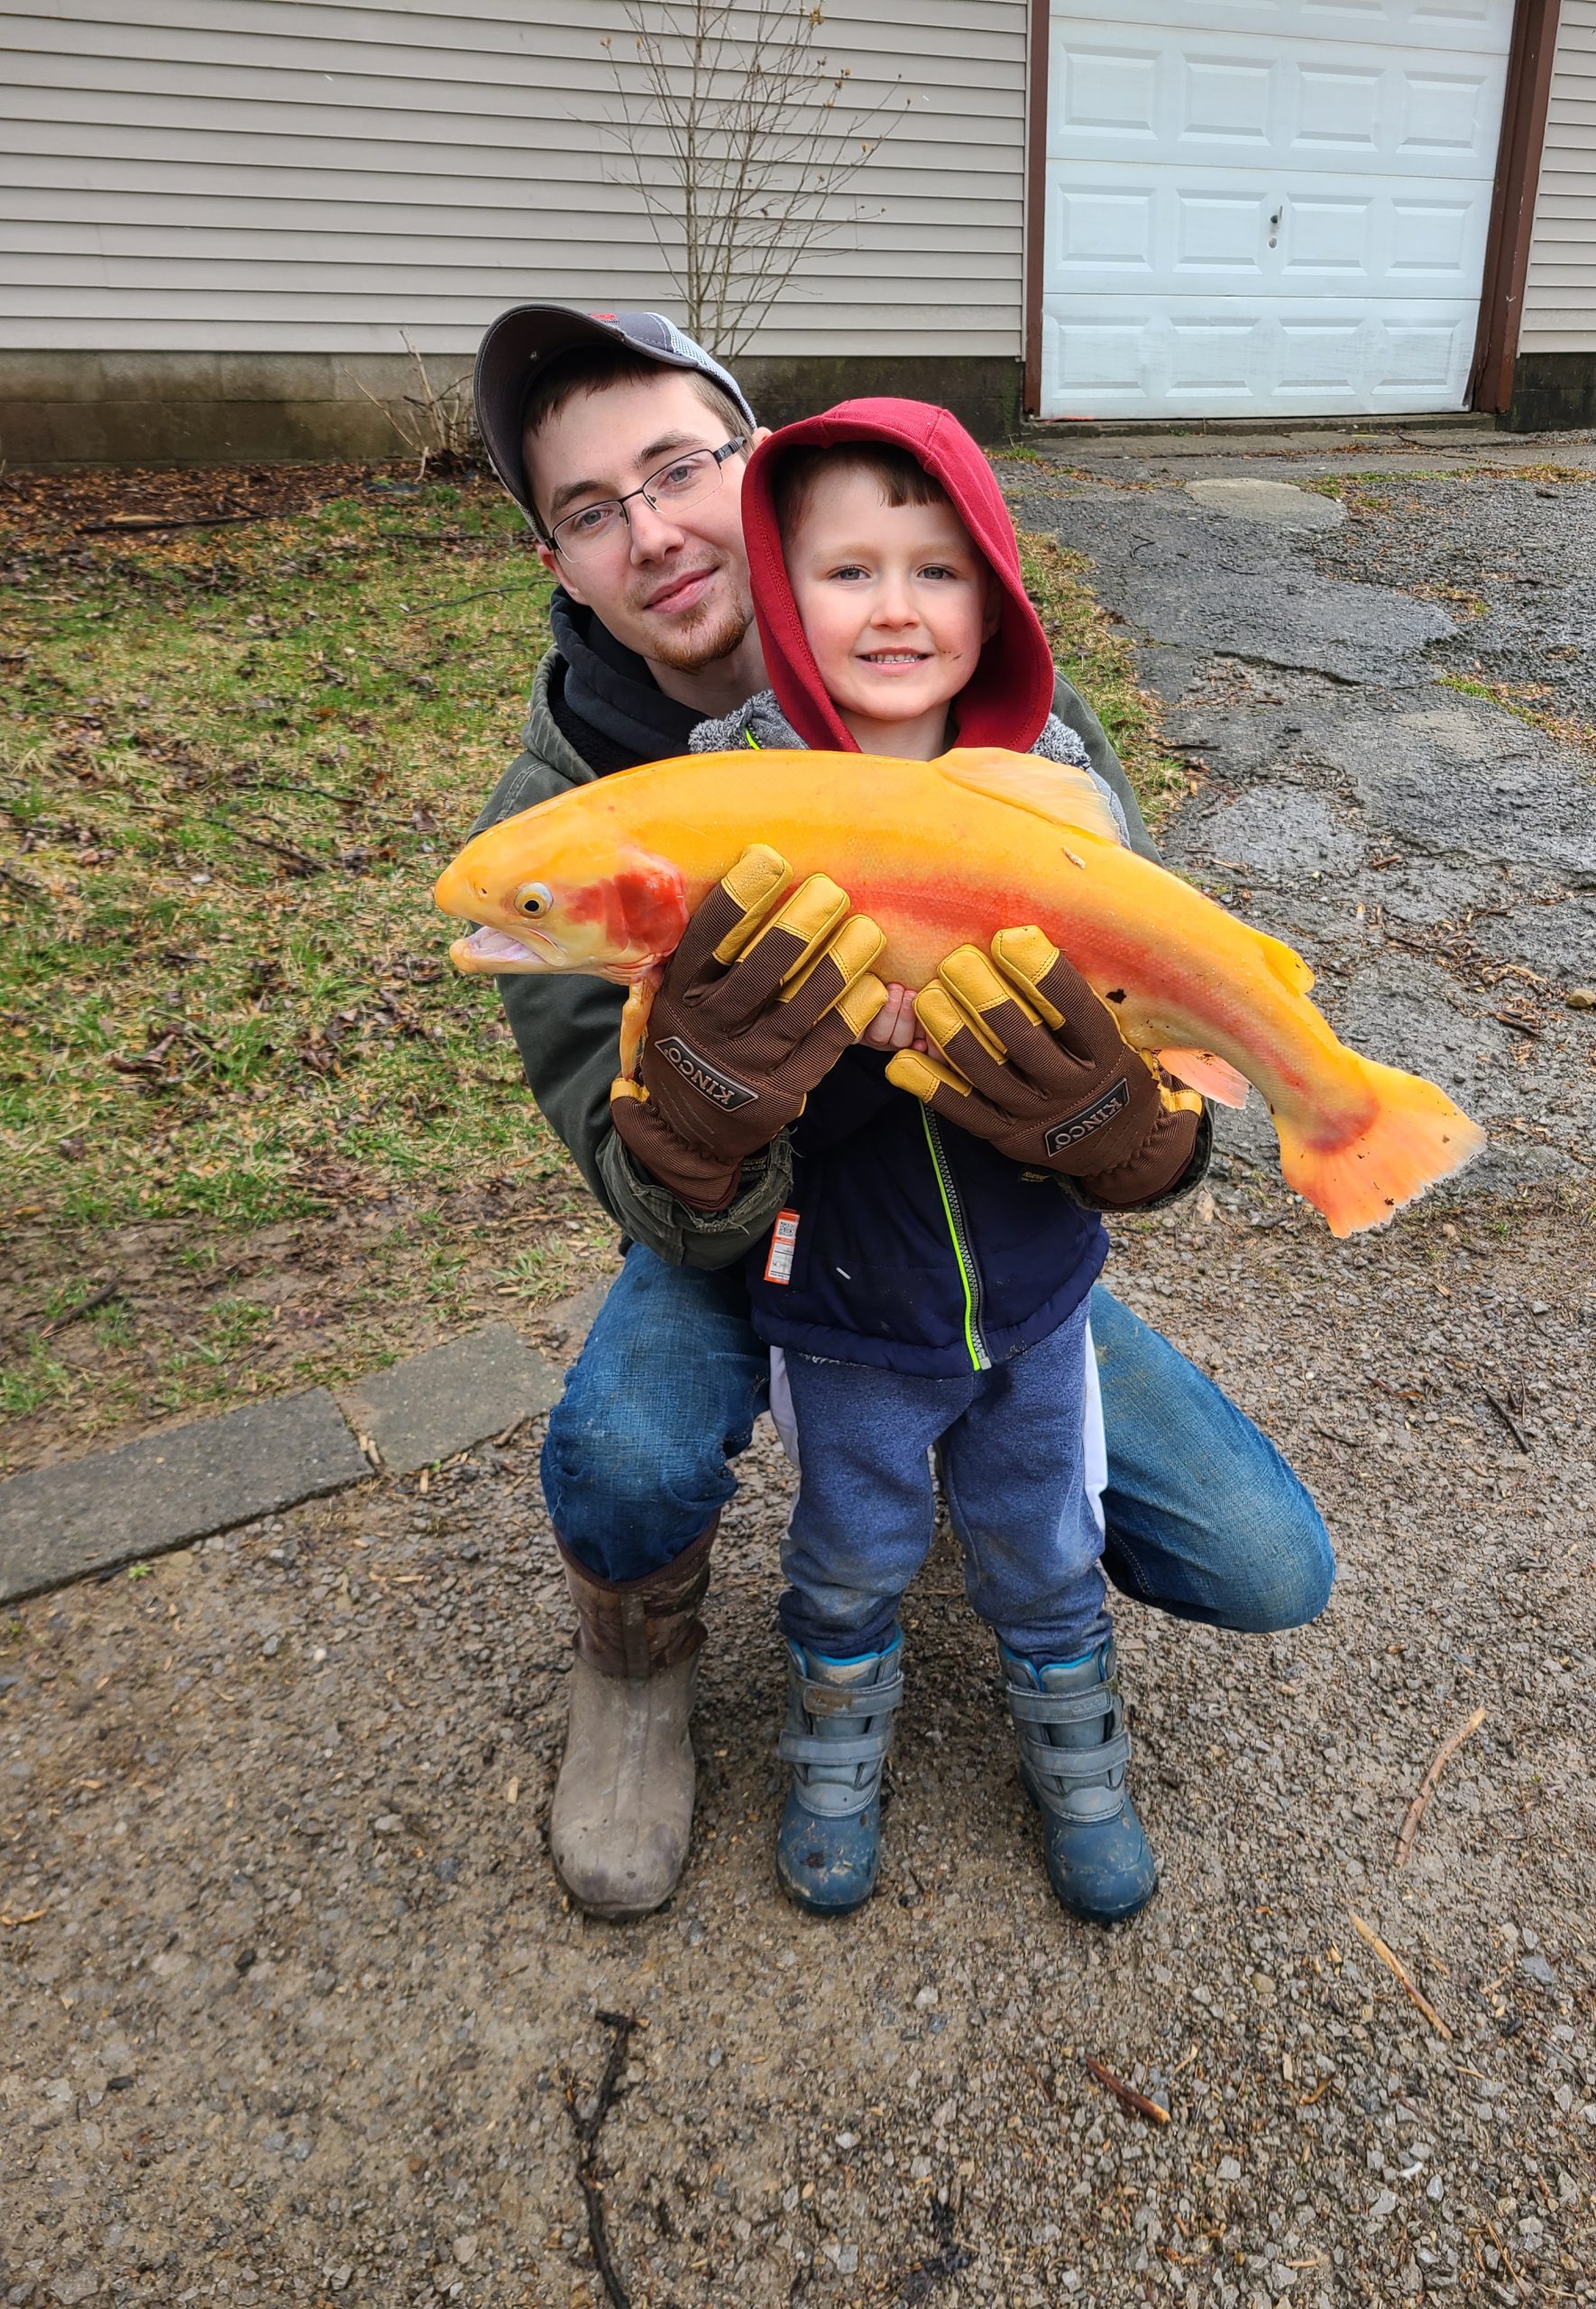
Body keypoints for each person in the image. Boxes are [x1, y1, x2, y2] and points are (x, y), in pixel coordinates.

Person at [467, 305, 1335, 1921]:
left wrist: (1133, 1145)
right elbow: (632, 1180)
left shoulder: (1020, 747)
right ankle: (639, 1665)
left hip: (985, 1241)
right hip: (748, 1234)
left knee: (1264, 1563)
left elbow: (1155, 998)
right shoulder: (556, 825)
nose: (650, 528)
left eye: (679, 467)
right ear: (557, 560)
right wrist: (705, 1108)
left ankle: (974, 1491)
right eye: (591, 509)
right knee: (623, 1451)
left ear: (762, 474)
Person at [676, 400, 1207, 1923]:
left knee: (1048, 1533)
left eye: (939, 568)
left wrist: (1143, 1134)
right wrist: (773, 1064)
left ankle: (1075, 1744)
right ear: (782, 597)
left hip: (1037, 1292)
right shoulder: (732, 798)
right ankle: (834, 1741)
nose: (896, 607)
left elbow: (1152, 1042)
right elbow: (681, 1056)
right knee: (849, 1541)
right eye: (847, 572)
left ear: (999, 596)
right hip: (842, 1299)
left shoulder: (1059, 788)